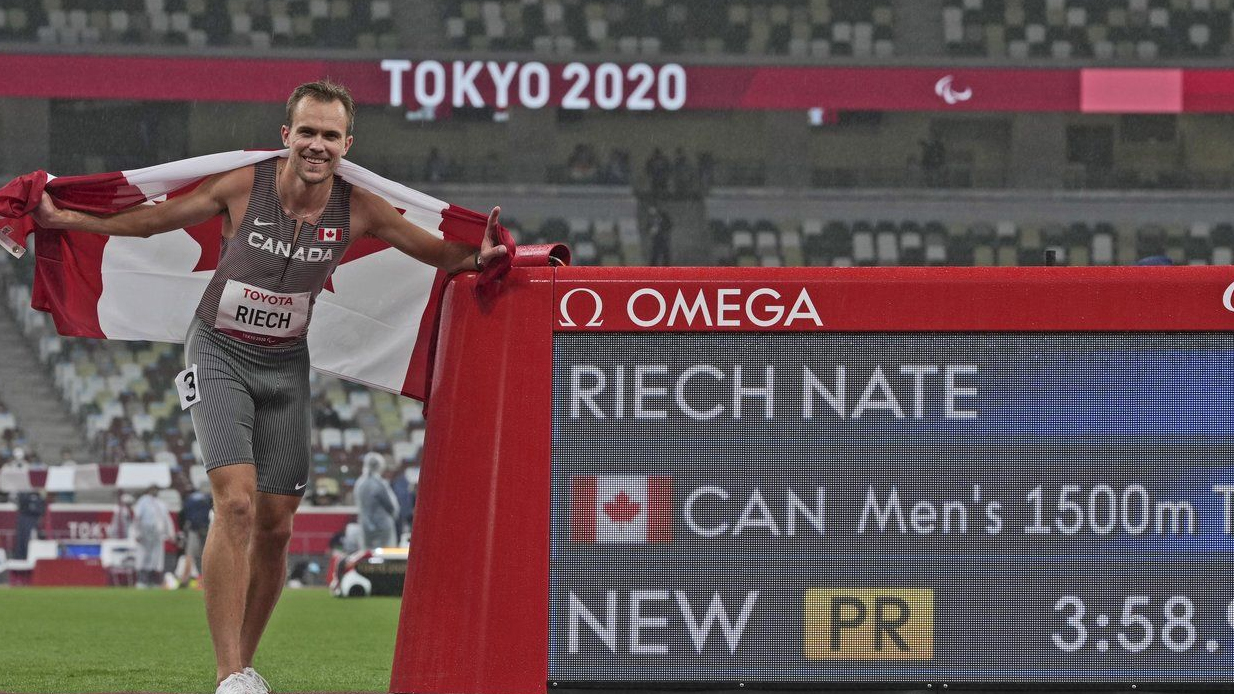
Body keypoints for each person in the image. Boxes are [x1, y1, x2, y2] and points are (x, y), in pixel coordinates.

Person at [32, 79, 508, 694]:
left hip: (285, 365)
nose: (317, 145)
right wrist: (64, 215)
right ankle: (227, 670)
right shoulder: (242, 186)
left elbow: (440, 253)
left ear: (346, 144)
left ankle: (244, 667)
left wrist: (485, 257)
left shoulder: (358, 207)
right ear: (286, 136)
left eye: (330, 136)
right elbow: (154, 222)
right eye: (306, 132)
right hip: (218, 352)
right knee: (235, 503)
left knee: (278, 524)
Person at [132, 485, 175, 589]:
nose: (154, 492)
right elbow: (137, 517)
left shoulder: (160, 503)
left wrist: (170, 533)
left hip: (157, 534)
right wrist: (137, 532)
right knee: (144, 556)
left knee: (155, 557)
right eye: (153, 490)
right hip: (145, 532)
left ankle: (153, 580)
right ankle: (142, 580)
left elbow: (166, 519)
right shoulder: (143, 501)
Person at [355, 452, 399, 549]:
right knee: (384, 555)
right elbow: (390, 506)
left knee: (368, 554)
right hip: (382, 527)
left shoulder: (360, 484)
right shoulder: (379, 484)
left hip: (366, 526)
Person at [178, 482, 213, 589]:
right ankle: (206, 581)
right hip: (205, 529)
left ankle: (184, 580)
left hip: (193, 529)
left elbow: (182, 515)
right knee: (206, 555)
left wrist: (182, 528)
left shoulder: (189, 499)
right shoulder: (206, 497)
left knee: (190, 554)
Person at [13, 488, 46, 561]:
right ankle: (21, 559)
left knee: (32, 539)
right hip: (24, 518)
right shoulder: (23, 497)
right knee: (23, 540)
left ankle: (31, 558)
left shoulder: (40, 499)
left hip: (34, 520)